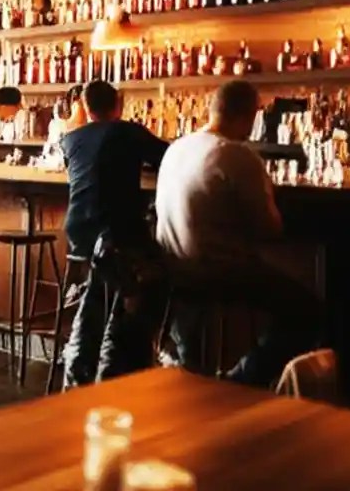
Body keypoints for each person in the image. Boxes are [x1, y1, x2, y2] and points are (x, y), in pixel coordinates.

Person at [154, 80, 320, 387]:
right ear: (248, 116)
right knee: (307, 311)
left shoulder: (177, 147)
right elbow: (269, 228)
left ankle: (192, 368)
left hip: (172, 270)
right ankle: (241, 382)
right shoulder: (237, 156)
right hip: (218, 273)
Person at [60, 81, 168, 387]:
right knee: (160, 274)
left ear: (84, 106)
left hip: (79, 232)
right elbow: (168, 157)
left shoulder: (70, 139)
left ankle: (81, 372)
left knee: (101, 288)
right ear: (118, 104)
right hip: (115, 234)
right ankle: (123, 370)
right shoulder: (127, 131)